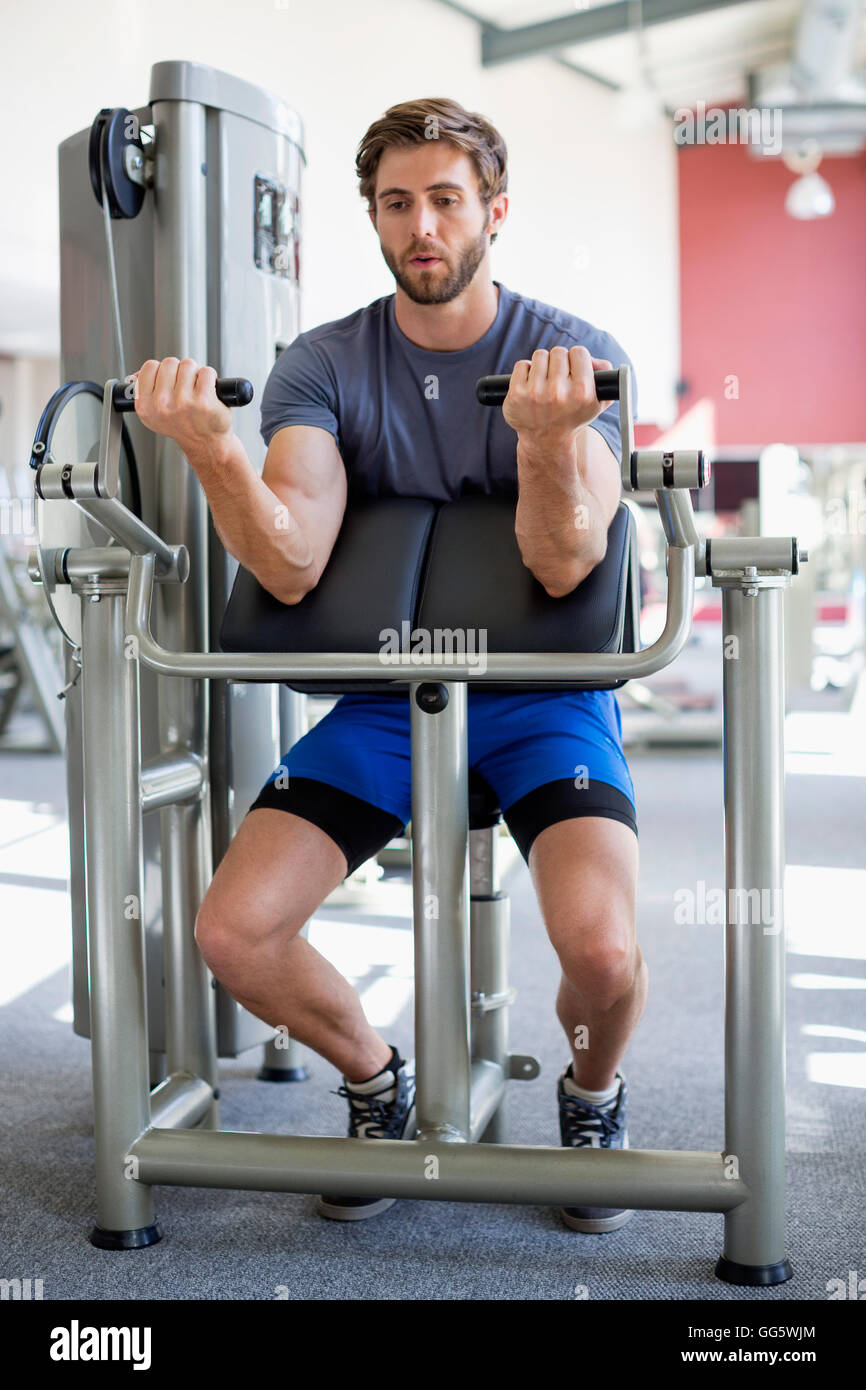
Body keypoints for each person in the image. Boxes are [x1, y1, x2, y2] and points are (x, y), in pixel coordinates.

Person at [129, 97, 646, 1231]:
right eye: (395, 202)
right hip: (388, 704)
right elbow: (293, 558)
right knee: (233, 930)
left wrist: (549, 439)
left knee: (601, 953)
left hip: (541, 703)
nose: (421, 226)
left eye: (445, 201)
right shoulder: (320, 364)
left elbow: (564, 567)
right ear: (370, 216)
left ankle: (589, 1087)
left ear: (492, 212)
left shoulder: (576, 359)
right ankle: (375, 1078)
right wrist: (219, 452)